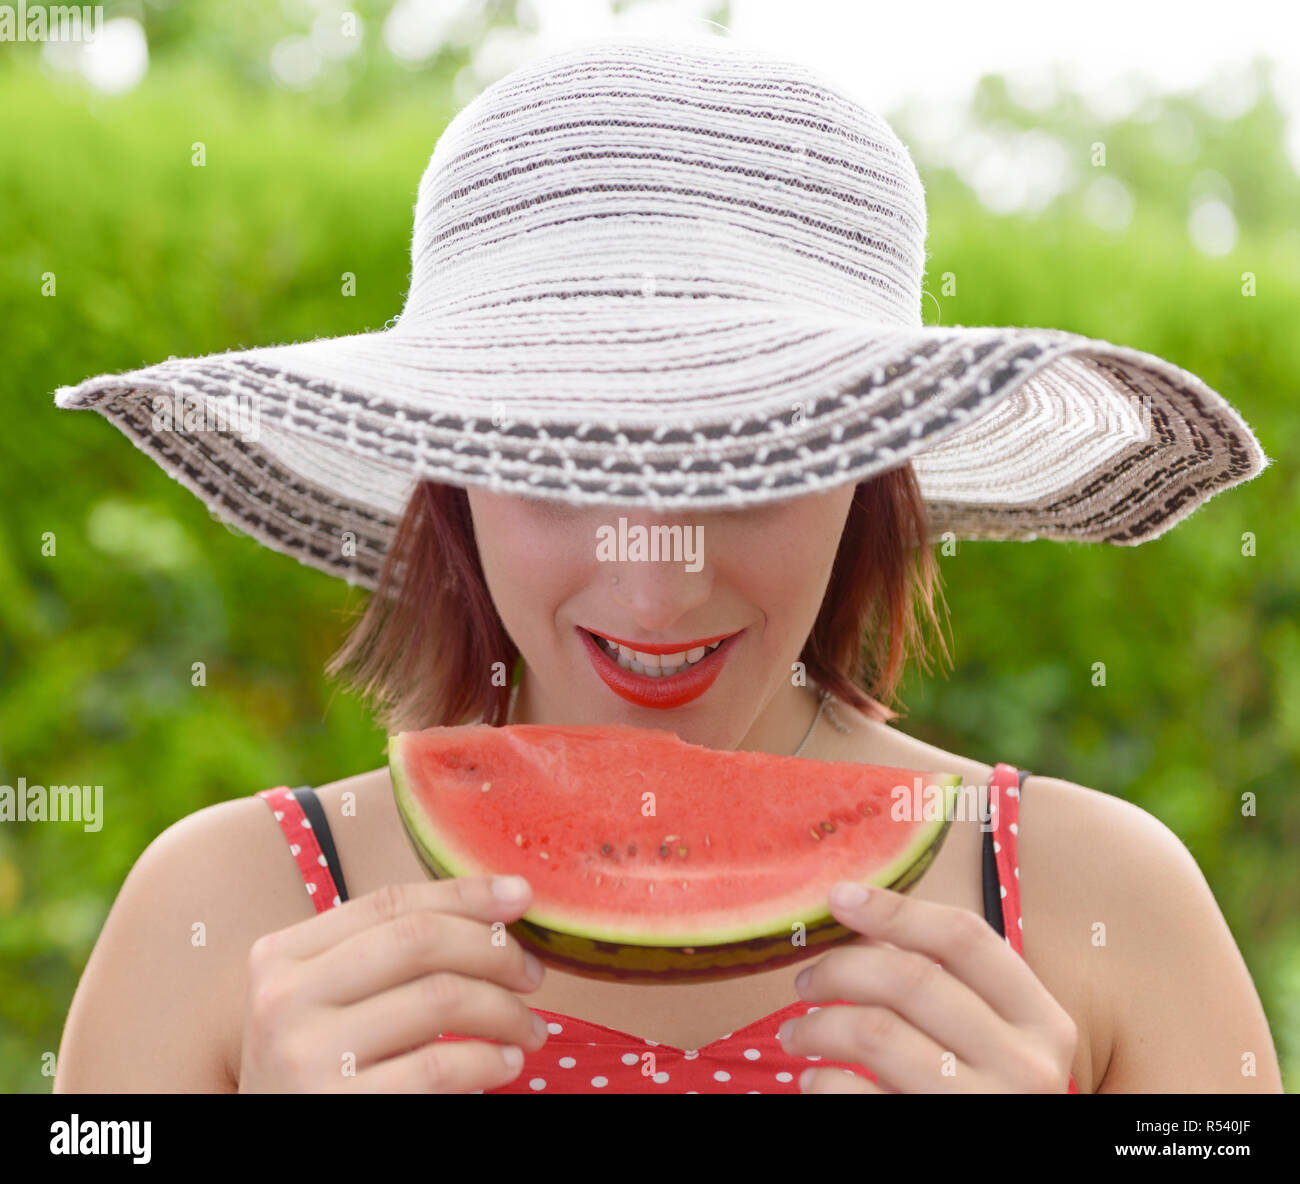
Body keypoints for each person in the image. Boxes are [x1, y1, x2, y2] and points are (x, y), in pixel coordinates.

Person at [50, 34, 1278, 1094]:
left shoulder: (1108, 894)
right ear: (448, 466)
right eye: (562, 452)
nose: (655, 586)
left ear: (874, 467)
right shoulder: (216, 912)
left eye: (747, 458)